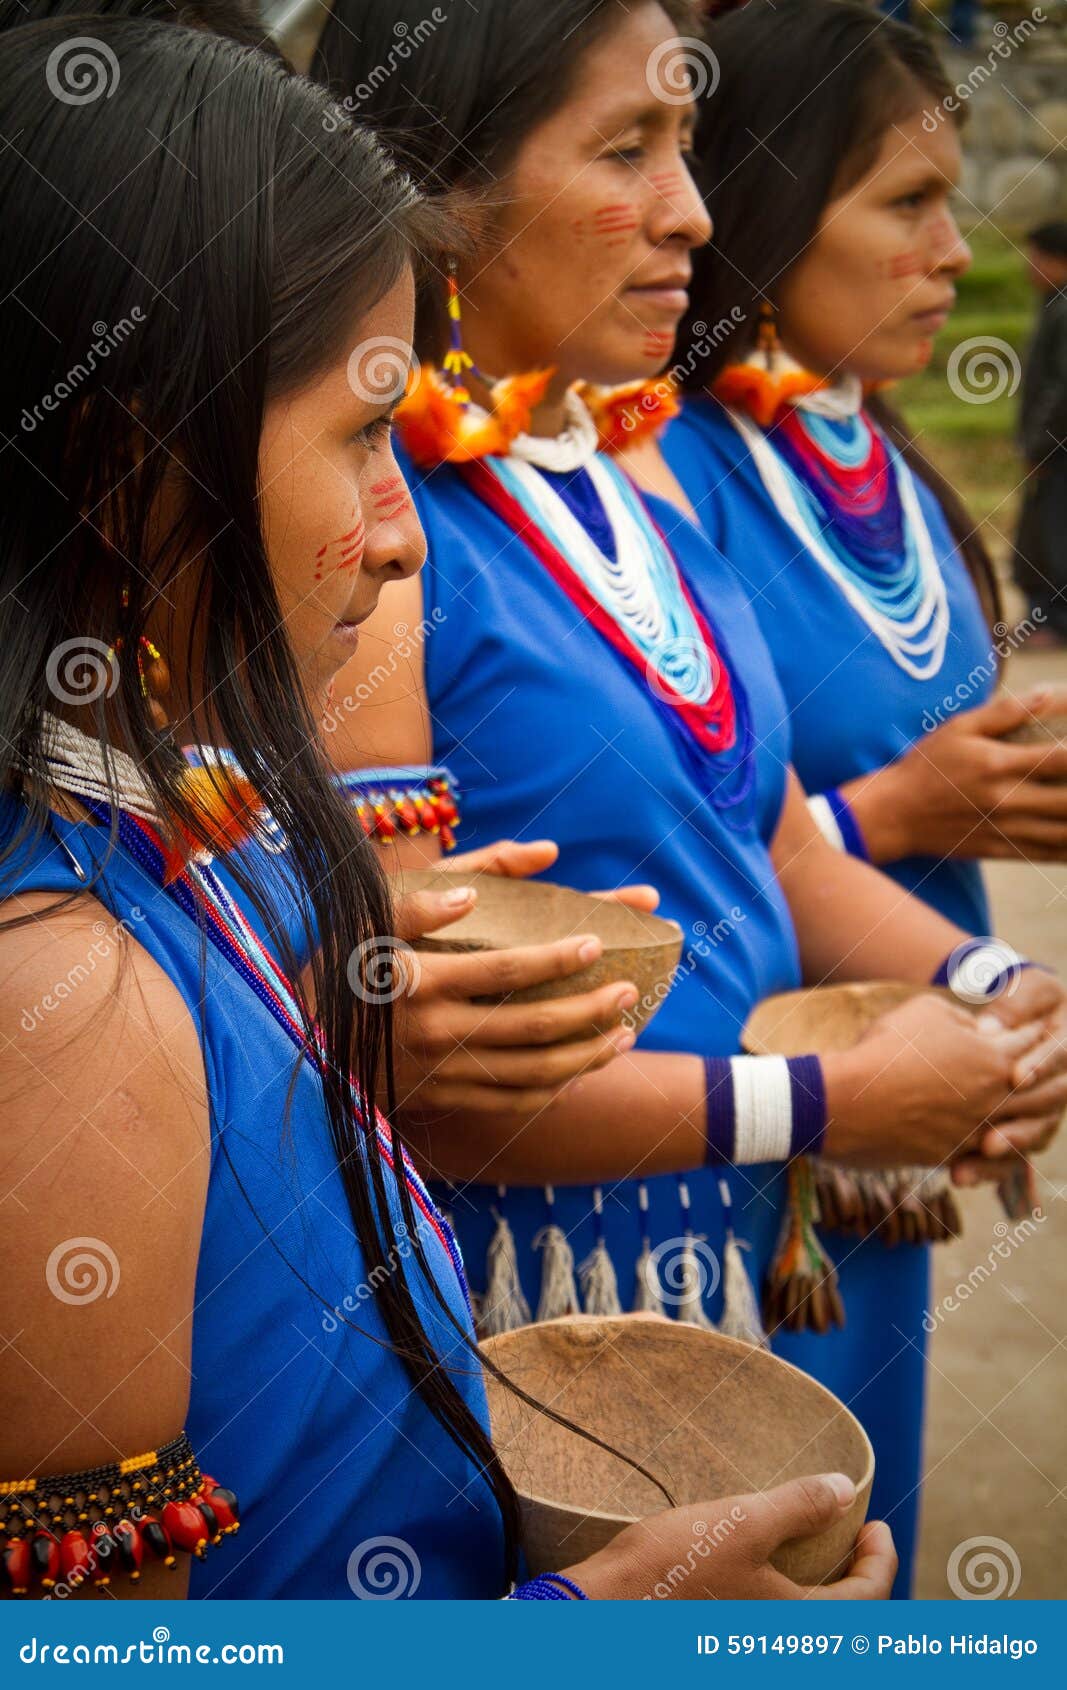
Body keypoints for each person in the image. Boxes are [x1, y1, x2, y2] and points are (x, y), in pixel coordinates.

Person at [0, 16, 911, 1604]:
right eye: (363, 436)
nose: (403, 537)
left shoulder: (179, 855)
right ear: (127, 458)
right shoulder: (65, 996)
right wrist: (594, 1621)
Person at [313, 0, 1067, 1598]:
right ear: (435, 193)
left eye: (688, 145)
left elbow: (776, 835)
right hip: (569, 1320)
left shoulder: (626, 459)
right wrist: (819, 1103)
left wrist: (994, 992)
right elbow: (424, 1070)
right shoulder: (387, 552)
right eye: (626, 149)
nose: (695, 213)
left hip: (743, 1264)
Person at [617, 0, 1067, 1587]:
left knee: (869, 1535)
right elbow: (697, 824)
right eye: (905, 202)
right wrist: (907, 811)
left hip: (900, 1127)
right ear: (769, 194)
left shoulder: (869, 454)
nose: (958, 252)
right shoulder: (659, 468)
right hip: (748, 1136)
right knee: (763, 1557)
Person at [1013, 221, 1067, 644]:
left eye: (1038, 257)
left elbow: (1062, 389)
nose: (1030, 266)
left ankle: (1055, 622)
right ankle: (1044, 619)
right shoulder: (1054, 304)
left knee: (1054, 535)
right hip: (1052, 447)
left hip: (1059, 450)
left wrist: (1041, 444)